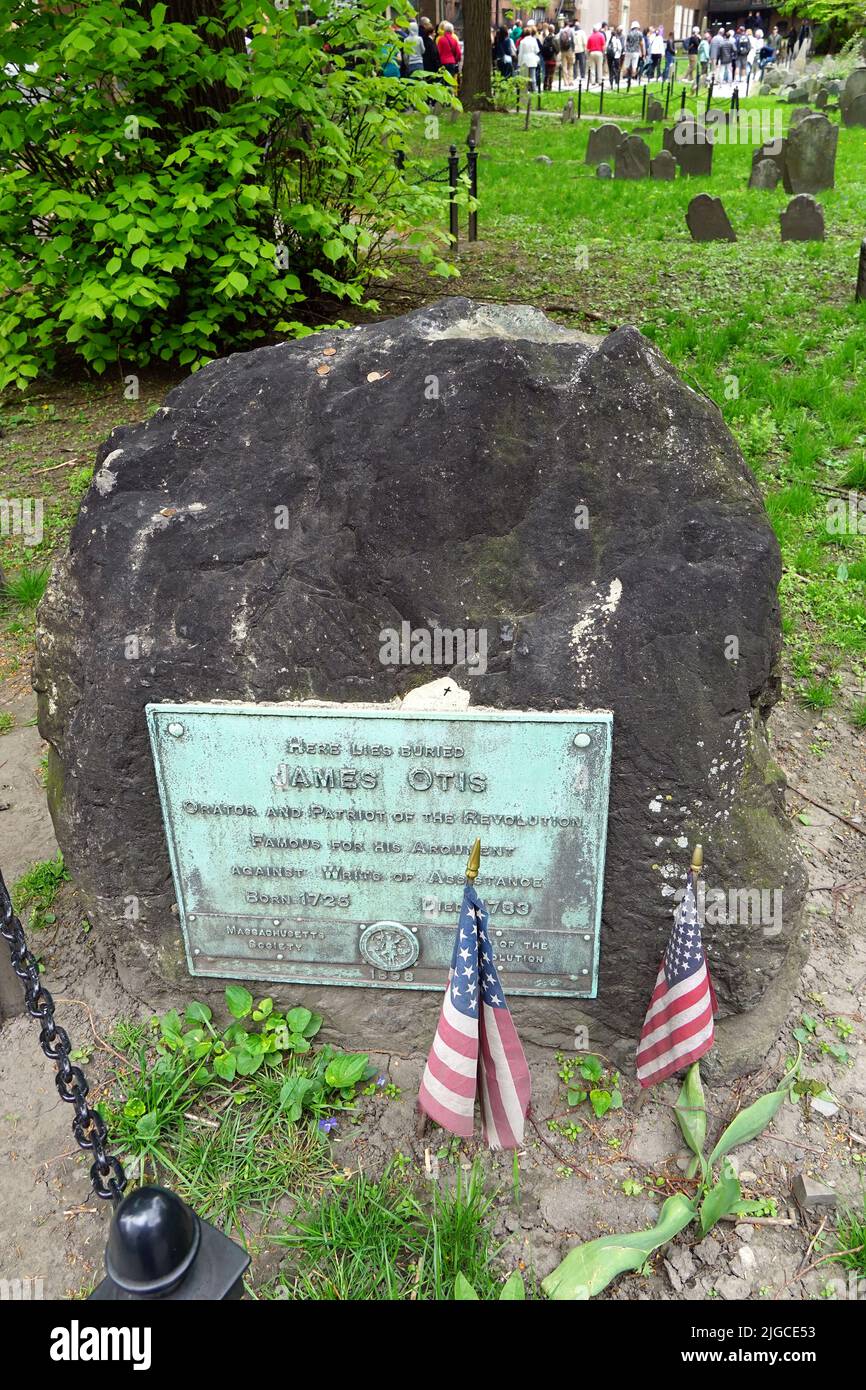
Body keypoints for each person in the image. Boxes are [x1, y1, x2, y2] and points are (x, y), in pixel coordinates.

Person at [517, 23, 541, 93]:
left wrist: (519, 63)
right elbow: (537, 51)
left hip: (524, 60)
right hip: (532, 59)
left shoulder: (522, 41)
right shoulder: (534, 40)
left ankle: (525, 90)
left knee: (525, 77)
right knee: (533, 76)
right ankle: (534, 89)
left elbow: (520, 53)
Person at [541, 25, 558, 91]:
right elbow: (557, 49)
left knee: (546, 73)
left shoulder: (546, 38)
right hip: (553, 58)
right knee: (552, 73)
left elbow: (543, 48)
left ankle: (545, 86)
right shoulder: (555, 38)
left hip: (546, 59)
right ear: (553, 30)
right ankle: (550, 87)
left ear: (548, 30)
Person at [559, 20, 575, 88]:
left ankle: (565, 82)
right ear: (568, 24)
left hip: (563, 51)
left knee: (564, 66)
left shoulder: (561, 32)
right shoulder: (571, 31)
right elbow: (573, 41)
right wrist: (573, 50)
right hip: (570, 50)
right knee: (571, 66)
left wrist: (561, 50)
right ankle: (570, 81)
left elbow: (560, 41)